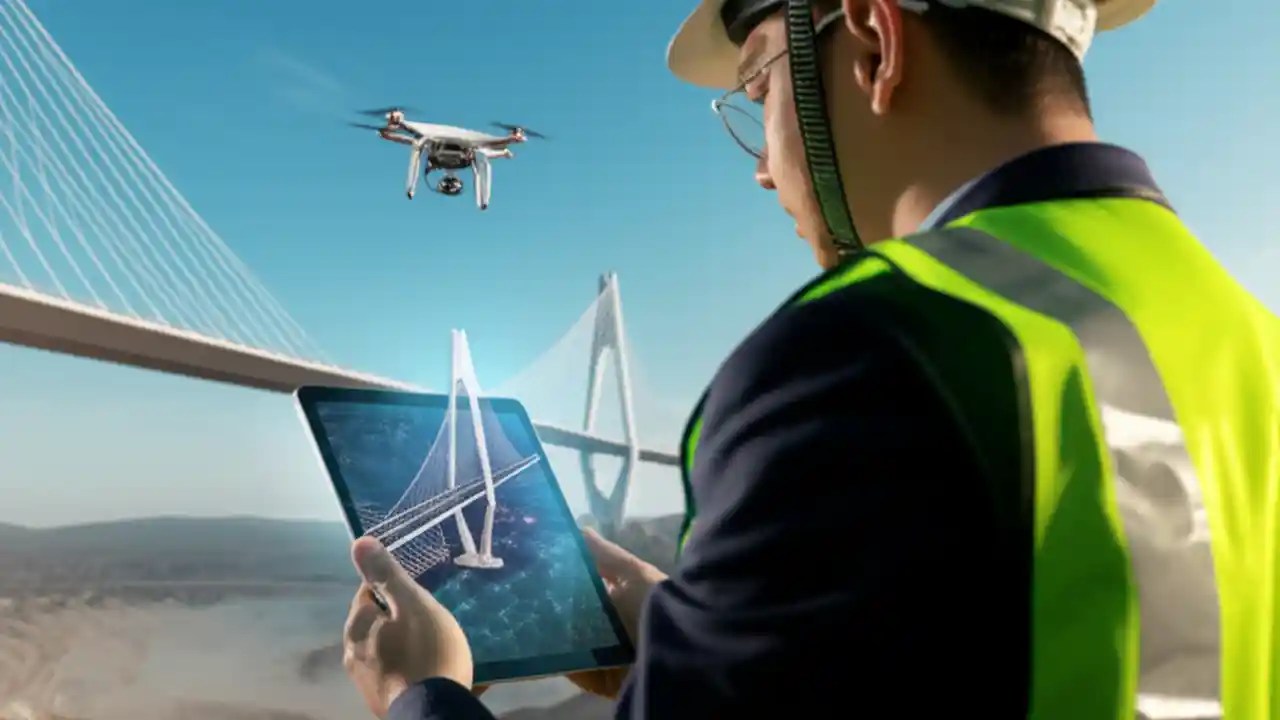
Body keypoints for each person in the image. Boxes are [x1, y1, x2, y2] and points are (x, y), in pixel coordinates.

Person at [341, 1, 1280, 718]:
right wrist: (698, 633)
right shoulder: (1243, 332)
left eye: (758, 92)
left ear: (875, 42)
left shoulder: (870, 352)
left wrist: (425, 694)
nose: (760, 165)